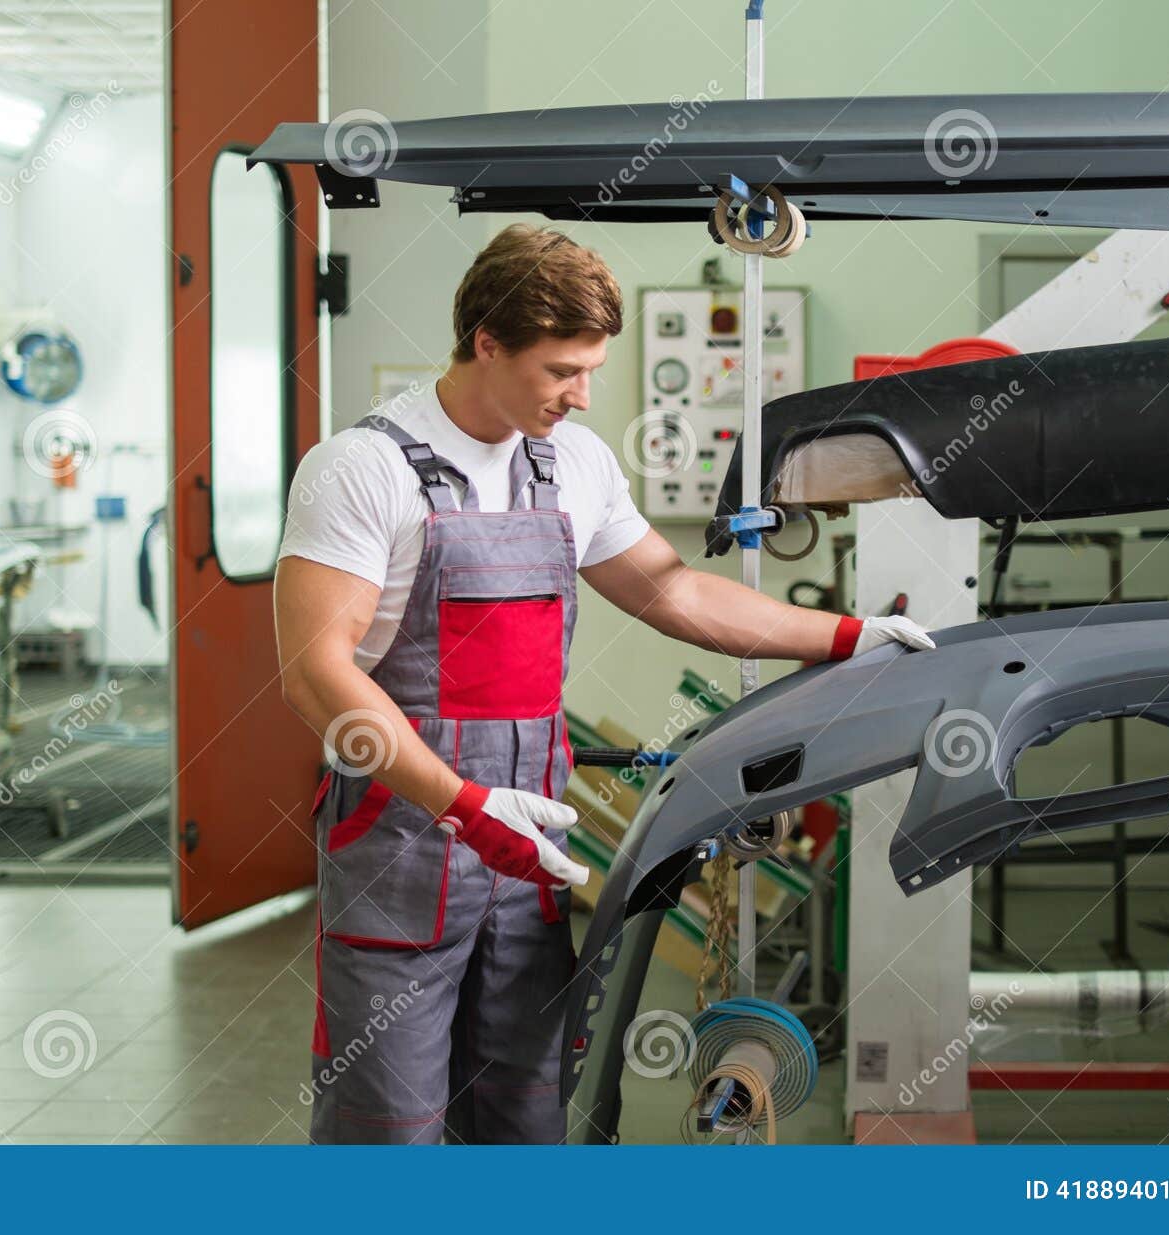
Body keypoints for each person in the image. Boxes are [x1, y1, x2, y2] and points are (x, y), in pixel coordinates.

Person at [274, 223, 933, 1144]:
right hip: (402, 841)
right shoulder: (363, 469)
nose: (582, 395)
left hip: (530, 852)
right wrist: (463, 804)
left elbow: (668, 588)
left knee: (528, 1116)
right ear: (486, 342)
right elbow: (314, 673)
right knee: (390, 1126)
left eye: (590, 369)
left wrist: (848, 636)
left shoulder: (572, 463)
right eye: (559, 371)